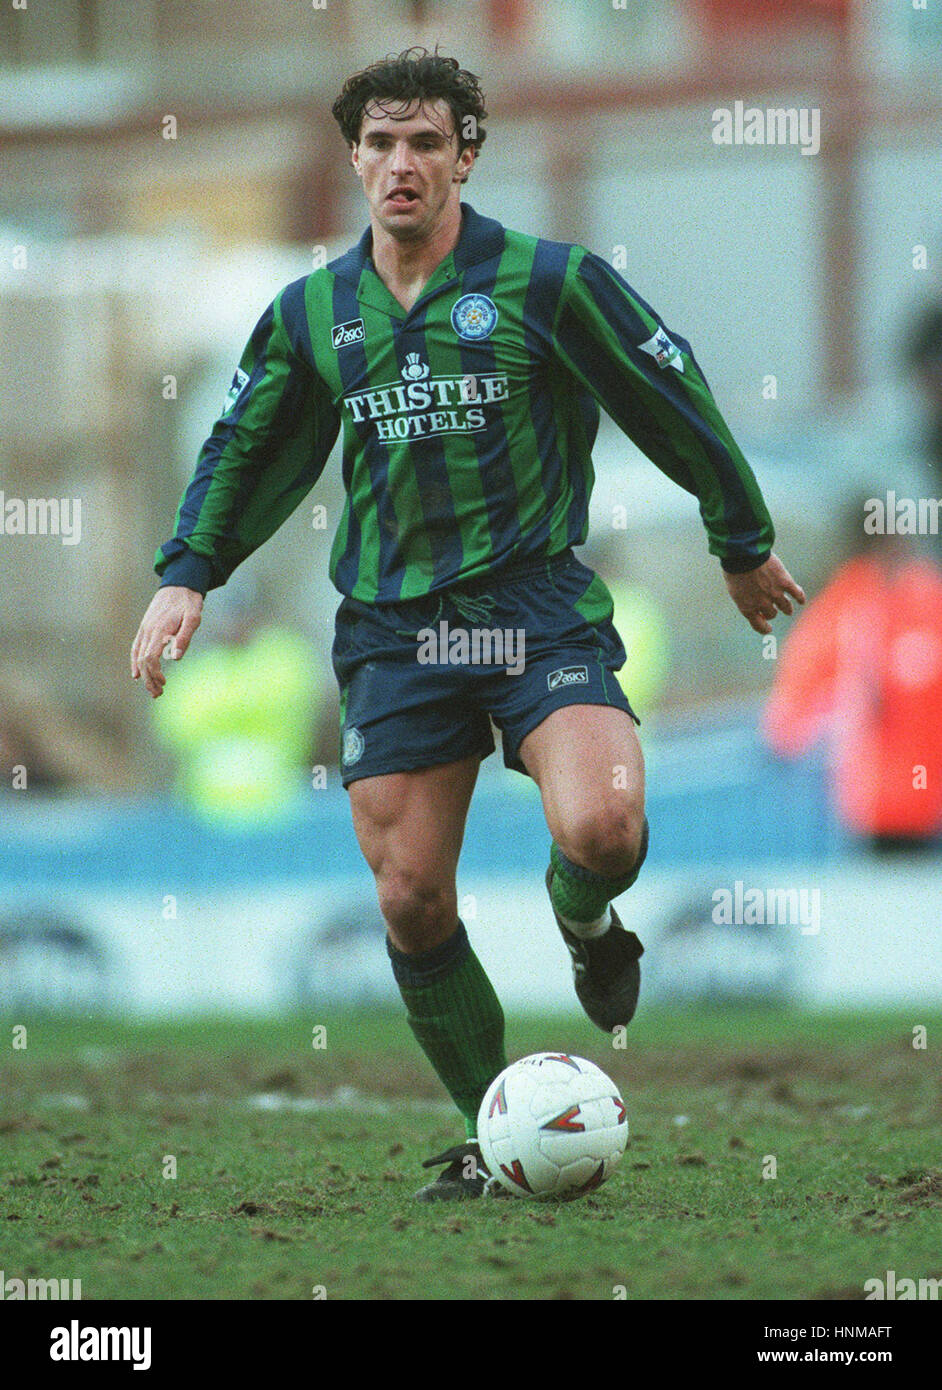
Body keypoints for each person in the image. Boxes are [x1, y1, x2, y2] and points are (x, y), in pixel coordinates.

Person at [131, 48, 803, 1200]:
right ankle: (496, 1135)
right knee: (410, 897)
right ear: (355, 156)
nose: (402, 163)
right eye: (381, 142)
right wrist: (188, 572)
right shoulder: (311, 313)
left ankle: (585, 922)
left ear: (466, 155)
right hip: (395, 631)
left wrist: (738, 538)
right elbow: (245, 446)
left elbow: (669, 386)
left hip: (535, 608)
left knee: (606, 827)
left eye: (426, 142)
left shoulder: (550, 282)